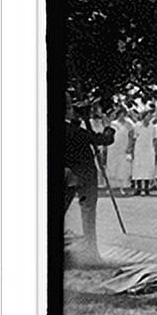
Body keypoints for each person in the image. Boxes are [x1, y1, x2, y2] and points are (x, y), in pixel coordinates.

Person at [64, 95, 115, 264]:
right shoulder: (77, 131)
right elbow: (104, 140)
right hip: (84, 175)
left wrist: (79, 120)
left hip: (67, 175)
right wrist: (108, 127)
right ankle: (92, 252)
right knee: (88, 213)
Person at [105, 106, 133, 195]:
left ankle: (122, 187)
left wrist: (129, 147)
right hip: (113, 147)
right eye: (120, 114)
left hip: (123, 147)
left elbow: (131, 136)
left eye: (123, 114)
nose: (122, 116)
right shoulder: (112, 124)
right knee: (112, 166)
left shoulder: (129, 124)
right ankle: (111, 187)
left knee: (122, 167)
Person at [130, 109, 156, 195]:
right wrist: (132, 149)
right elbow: (134, 138)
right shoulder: (138, 126)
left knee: (147, 168)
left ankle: (146, 188)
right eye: (148, 115)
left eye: (150, 116)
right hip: (139, 149)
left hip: (148, 149)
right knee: (138, 168)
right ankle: (138, 188)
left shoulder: (152, 127)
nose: (149, 117)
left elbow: (154, 138)